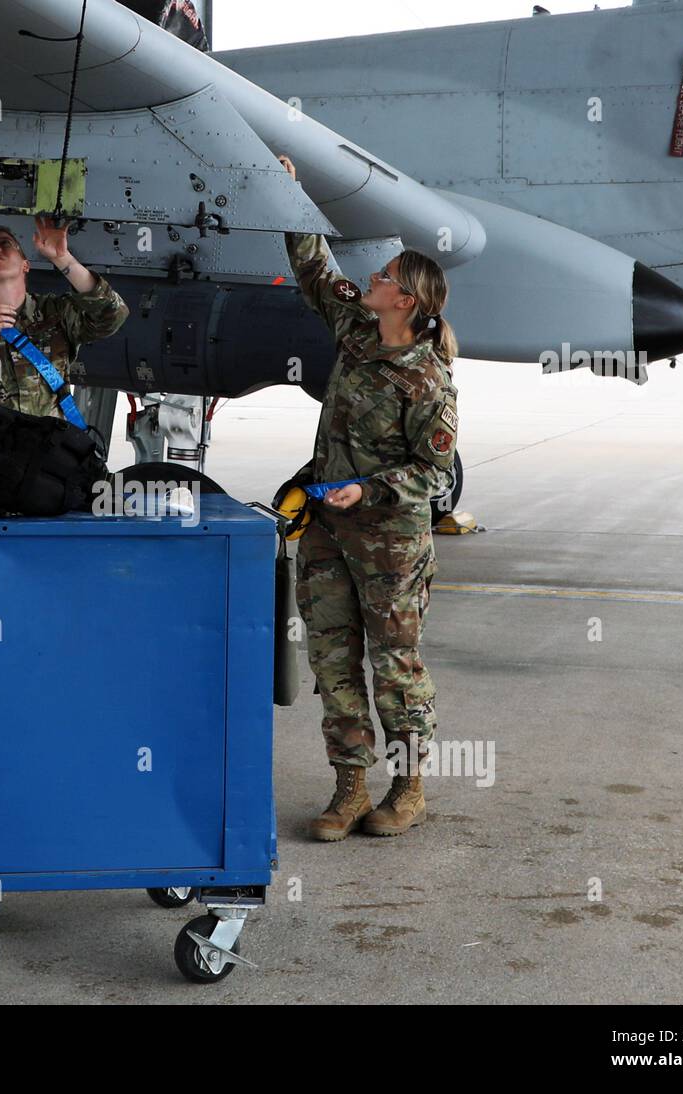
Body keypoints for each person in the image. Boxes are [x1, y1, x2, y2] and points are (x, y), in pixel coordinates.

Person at [278, 154, 460, 842]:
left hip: (391, 542)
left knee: (395, 666)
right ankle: (350, 785)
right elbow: (314, 271)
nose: (373, 280)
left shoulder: (428, 381)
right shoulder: (357, 329)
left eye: (384, 277)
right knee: (330, 655)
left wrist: (371, 487)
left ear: (405, 300)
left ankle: (408, 788)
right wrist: (291, 202)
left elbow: (434, 474)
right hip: (328, 526)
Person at [0, 216, 129, 420]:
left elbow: (112, 314)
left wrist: (63, 259)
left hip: (47, 446)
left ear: (25, 265)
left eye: (5, 243)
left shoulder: (55, 313)